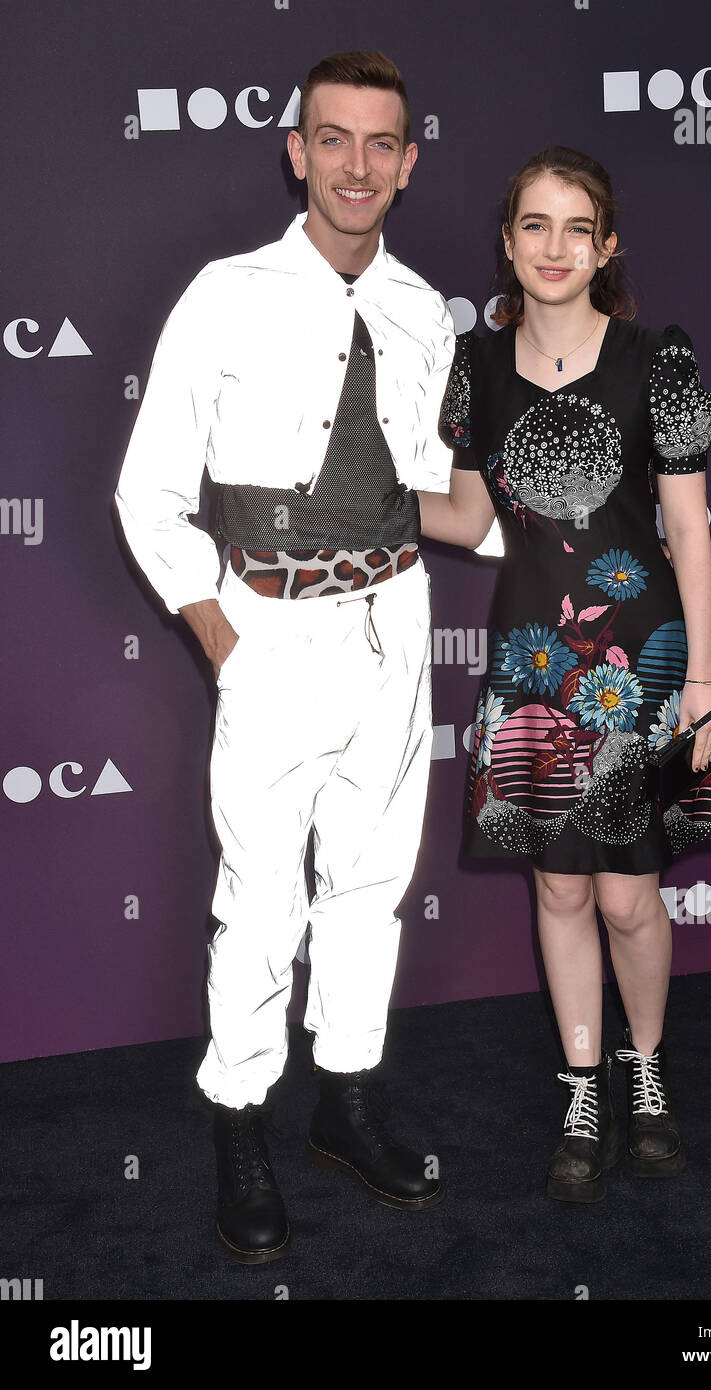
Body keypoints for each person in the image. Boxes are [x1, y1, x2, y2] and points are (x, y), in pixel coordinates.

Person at [114, 50, 454, 1264]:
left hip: (394, 620)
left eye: (382, 145)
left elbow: (431, 491)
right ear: (295, 150)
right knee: (261, 898)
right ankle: (240, 1120)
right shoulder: (228, 293)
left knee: (368, 883)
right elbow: (150, 490)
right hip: (270, 625)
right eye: (334, 139)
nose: (357, 166)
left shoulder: (424, 312)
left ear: (409, 164)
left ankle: (345, 1103)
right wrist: (219, 626)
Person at [419, 146, 711, 1203]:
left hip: (638, 662)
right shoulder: (481, 364)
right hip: (533, 658)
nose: (555, 248)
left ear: (608, 246)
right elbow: (468, 518)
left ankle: (647, 1075)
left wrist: (701, 677)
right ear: (507, 244)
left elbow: (688, 528)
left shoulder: (658, 359)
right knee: (558, 884)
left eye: (577, 227)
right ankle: (584, 1082)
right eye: (535, 226)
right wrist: (365, 496)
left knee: (632, 898)